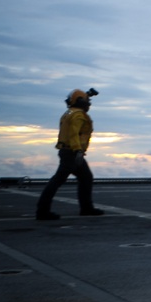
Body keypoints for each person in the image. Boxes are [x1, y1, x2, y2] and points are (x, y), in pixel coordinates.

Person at [36, 88, 105, 220]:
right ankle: (42, 211)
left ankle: (86, 208)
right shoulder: (78, 115)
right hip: (72, 153)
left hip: (67, 151)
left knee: (86, 178)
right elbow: (74, 134)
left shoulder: (68, 113)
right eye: (86, 101)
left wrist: (87, 94)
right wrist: (78, 151)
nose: (88, 104)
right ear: (80, 102)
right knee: (58, 180)